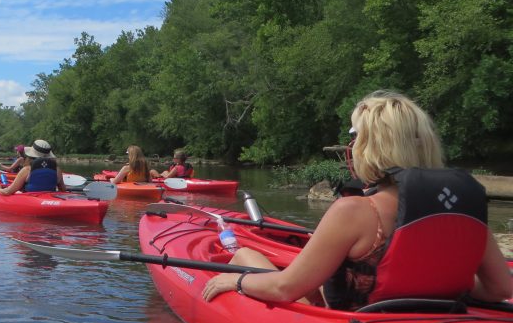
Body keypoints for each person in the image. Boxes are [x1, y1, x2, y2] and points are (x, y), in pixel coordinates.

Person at [202, 90, 512, 309]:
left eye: (355, 139)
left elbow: (284, 289)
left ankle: (240, 264)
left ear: (368, 146)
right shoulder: (466, 207)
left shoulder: (355, 211)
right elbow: (500, 288)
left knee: (243, 256)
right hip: (439, 319)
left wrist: (238, 283)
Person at [0, 139, 66, 195]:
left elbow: (7, 192)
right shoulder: (57, 170)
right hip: (50, 198)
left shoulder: (27, 170)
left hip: (30, 199)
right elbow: (63, 190)